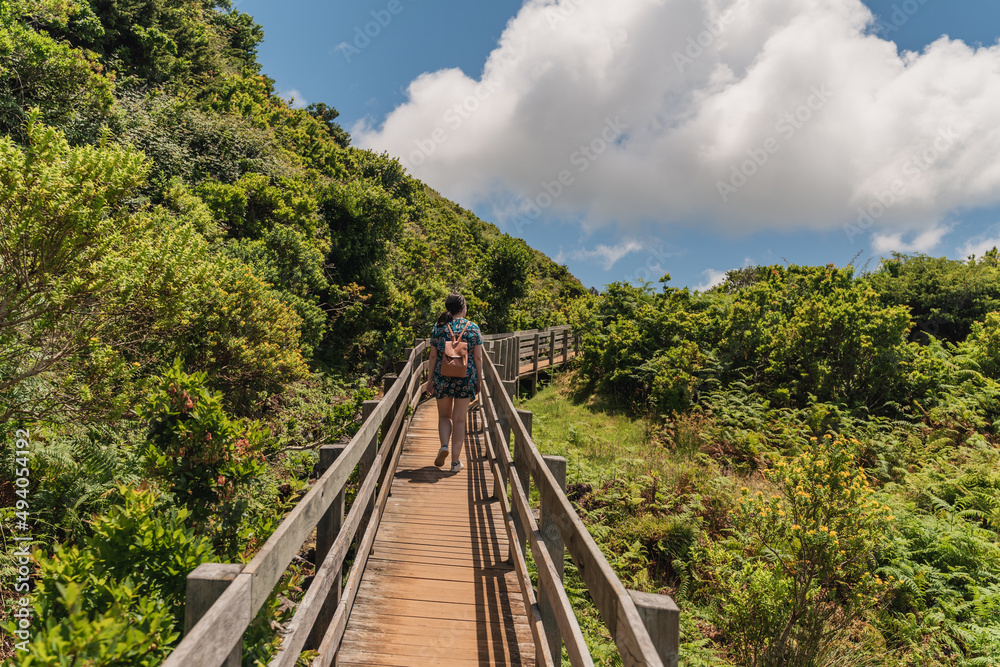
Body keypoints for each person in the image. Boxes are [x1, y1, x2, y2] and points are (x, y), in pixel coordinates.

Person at [423, 293, 483, 472]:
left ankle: (444, 446)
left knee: (444, 416)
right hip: (466, 378)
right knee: (459, 420)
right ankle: (455, 462)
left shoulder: (439, 327)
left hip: (443, 377)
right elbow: (478, 357)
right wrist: (479, 380)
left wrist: (430, 380)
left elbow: (433, 355)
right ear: (463, 307)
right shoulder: (473, 328)